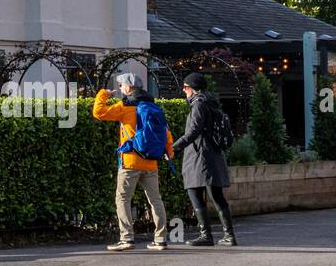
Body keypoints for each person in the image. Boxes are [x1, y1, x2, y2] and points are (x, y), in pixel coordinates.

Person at [93, 72, 174, 252]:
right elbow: (166, 133)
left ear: (129, 88)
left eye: (121, 86)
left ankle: (126, 239)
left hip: (130, 162)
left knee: (122, 199)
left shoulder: (124, 106)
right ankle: (161, 240)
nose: (120, 88)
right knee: (155, 200)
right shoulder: (153, 106)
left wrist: (104, 94)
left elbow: (98, 113)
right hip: (151, 162)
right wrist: (169, 151)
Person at [172, 73, 235, 246]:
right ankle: (228, 236)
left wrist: (173, 148)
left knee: (195, 193)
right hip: (212, 154)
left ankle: (206, 235)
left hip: (200, 156)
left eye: (185, 87)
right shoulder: (211, 103)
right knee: (216, 195)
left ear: (193, 88)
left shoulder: (198, 105)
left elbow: (193, 131)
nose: (184, 91)